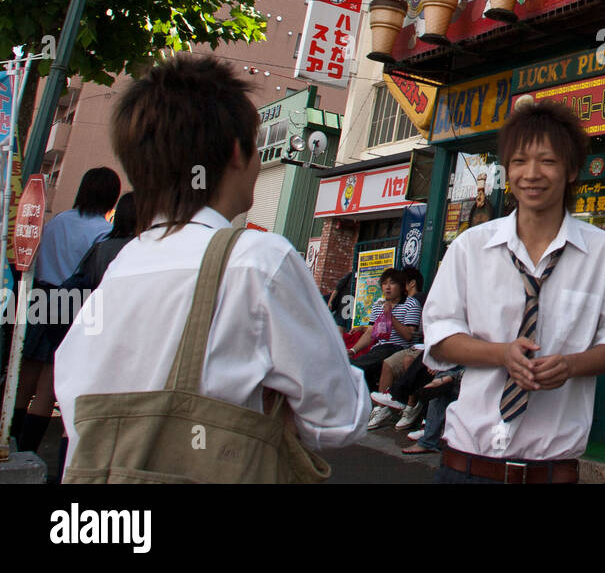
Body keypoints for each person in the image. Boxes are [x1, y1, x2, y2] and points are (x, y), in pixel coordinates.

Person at [54, 54, 369, 475]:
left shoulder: (122, 265)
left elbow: (78, 402)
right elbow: (341, 418)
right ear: (238, 153)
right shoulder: (258, 261)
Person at [422, 99, 605, 483]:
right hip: (466, 465)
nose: (531, 174)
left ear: (572, 171)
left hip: (551, 471)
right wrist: (501, 354)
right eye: (519, 161)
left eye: (547, 161)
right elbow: (439, 335)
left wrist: (570, 365)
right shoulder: (470, 247)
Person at [12, 167, 120, 453]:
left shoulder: (58, 222)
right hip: (71, 305)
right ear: (112, 197)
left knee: (23, 382)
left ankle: (8, 440)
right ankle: (27, 450)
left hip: (38, 298)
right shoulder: (104, 233)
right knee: (48, 388)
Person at [349, 267, 420, 409]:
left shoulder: (411, 304)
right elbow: (370, 333)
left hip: (399, 347)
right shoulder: (378, 305)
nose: (387, 287)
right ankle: (365, 405)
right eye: (384, 283)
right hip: (380, 348)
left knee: (360, 366)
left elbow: (408, 335)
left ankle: (377, 407)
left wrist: (390, 316)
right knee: (359, 365)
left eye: (392, 283)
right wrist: (353, 350)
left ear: (401, 287)